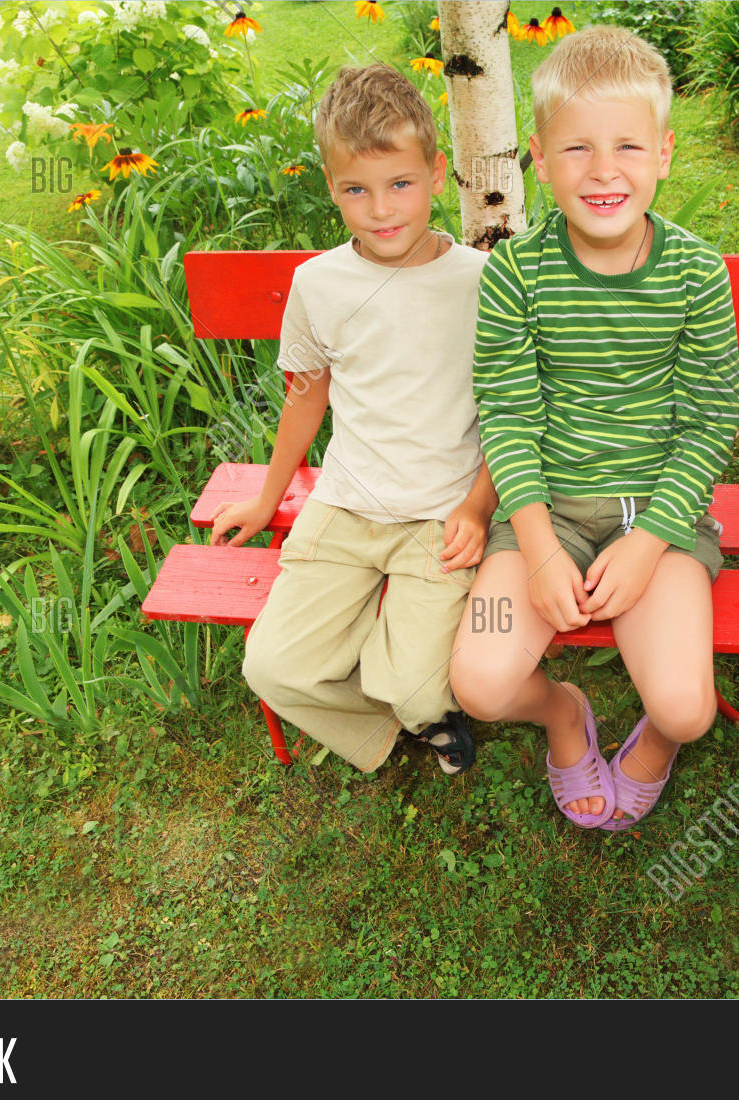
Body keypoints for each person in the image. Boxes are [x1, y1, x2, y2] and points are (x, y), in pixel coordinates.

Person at [449, 26, 739, 830]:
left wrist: (650, 540)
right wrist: (538, 550)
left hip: (664, 519)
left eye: (627, 146)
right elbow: (507, 412)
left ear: (665, 154)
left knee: (687, 707)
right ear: (538, 160)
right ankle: (564, 713)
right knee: (479, 677)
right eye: (576, 148)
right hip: (540, 515)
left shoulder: (695, 271)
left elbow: (711, 417)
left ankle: (653, 747)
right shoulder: (515, 273)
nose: (604, 170)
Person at [212, 64, 495, 776]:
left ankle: (412, 698)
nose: (380, 209)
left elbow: (513, 411)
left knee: (414, 687)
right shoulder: (318, 283)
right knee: (273, 669)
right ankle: (386, 726)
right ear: (330, 188)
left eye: (399, 183)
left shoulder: (481, 281)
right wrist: (269, 497)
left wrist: (478, 503)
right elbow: (305, 395)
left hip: (440, 514)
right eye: (355, 191)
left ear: (436, 174)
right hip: (345, 502)